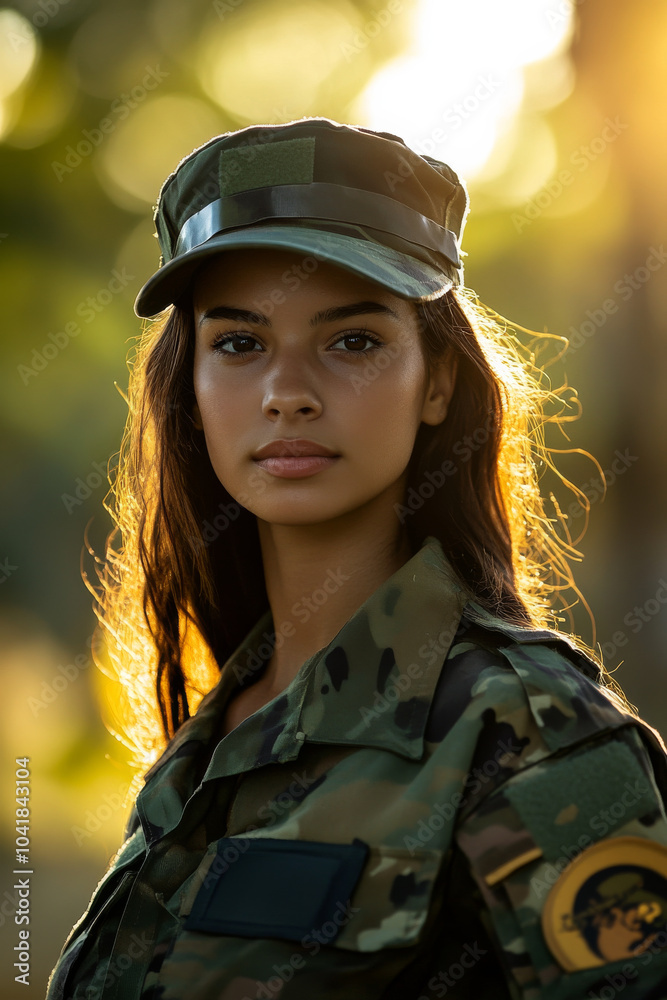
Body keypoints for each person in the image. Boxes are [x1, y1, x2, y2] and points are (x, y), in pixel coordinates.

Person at [46, 117, 667, 1000]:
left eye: (352, 341)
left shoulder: (525, 732)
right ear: (189, 386)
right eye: (239, 343)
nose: (286, 394)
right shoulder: (206, 746)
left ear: (437, 383)